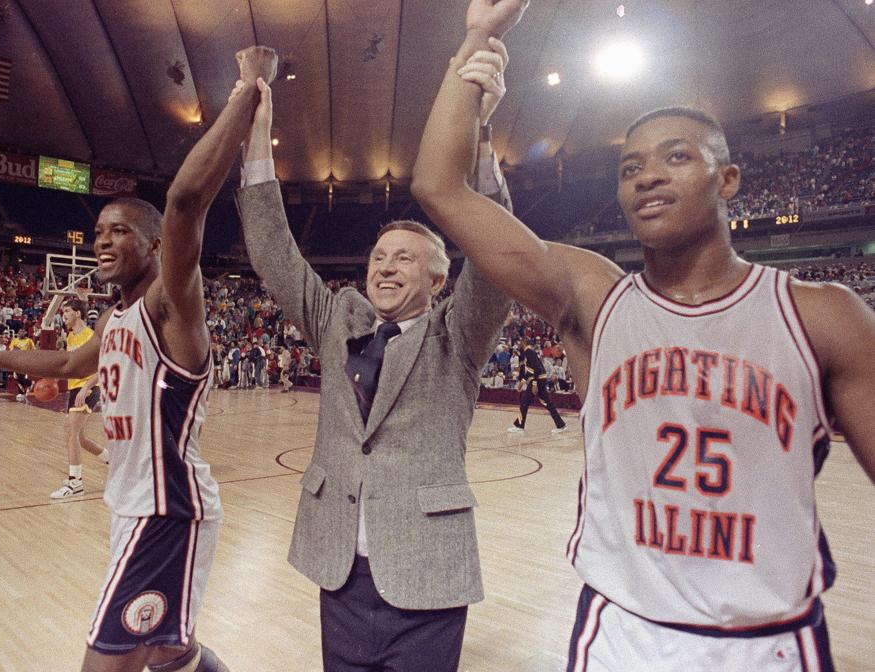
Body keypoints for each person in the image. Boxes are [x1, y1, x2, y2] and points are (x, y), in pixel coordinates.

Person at [411, 3, 875, 668]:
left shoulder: (820, 314)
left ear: (728, 179)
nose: (647, 176)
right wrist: (477, 41)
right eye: (629, 168)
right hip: (618, 631)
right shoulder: (591, 296)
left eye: (675, 157)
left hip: (766, 641)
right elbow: (438, 188)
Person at [0, 45, 278, 672]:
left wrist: (247, 91)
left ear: (153, 245)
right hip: (131, 505)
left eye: (119, 231)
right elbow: (64, 368)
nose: (103, 242)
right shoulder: (113, 318)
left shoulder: (171, 307)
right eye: (97, 234)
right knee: (170, 651)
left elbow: (184, 203)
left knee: (108, 660)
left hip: (166, 511)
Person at [234, 43, 512, 670]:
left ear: (439, 280)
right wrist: (257, 129)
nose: (386, 266)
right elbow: (275, 253)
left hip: (425, 570)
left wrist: (481, 131)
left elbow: (496, 260)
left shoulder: (457, 336)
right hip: (341, 571)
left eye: (405, 257)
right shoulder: (336, 321)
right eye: (379, 257)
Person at [51, 297, 109, 499]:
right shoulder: (70, 338)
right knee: (80, 438)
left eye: (66, 311)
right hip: (75, 388)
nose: (63, 315)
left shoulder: (90, 336)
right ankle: (113, 461)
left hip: (90, 387)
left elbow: (103, 366)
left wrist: (86, 388)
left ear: (77, 313)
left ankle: (75, 482)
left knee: (70, 431)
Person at [509, 341, 567, 434]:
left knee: (524, 402)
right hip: (540, 380)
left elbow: (537, 368)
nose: (519, 345)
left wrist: (535, 384)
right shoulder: (530, 352)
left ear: (524, 343)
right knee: (548, 403)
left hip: (537, 381)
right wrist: (522, 382)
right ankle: (560, 424)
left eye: (520, 343)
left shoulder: (528, 352)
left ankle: (519, 426)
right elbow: (530, 371)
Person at [9, 328, 37, 401]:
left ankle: (21, 393)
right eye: (20, 332)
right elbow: (11, 349)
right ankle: (29, 383)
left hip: (25, 360)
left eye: (22, 332)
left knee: (20, 375)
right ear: (18, 333)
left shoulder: (29, 341)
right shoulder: (14, 340)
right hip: (16, 360)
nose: (21, 333)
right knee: (16, 377)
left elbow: (34, 350)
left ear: (25, 333)